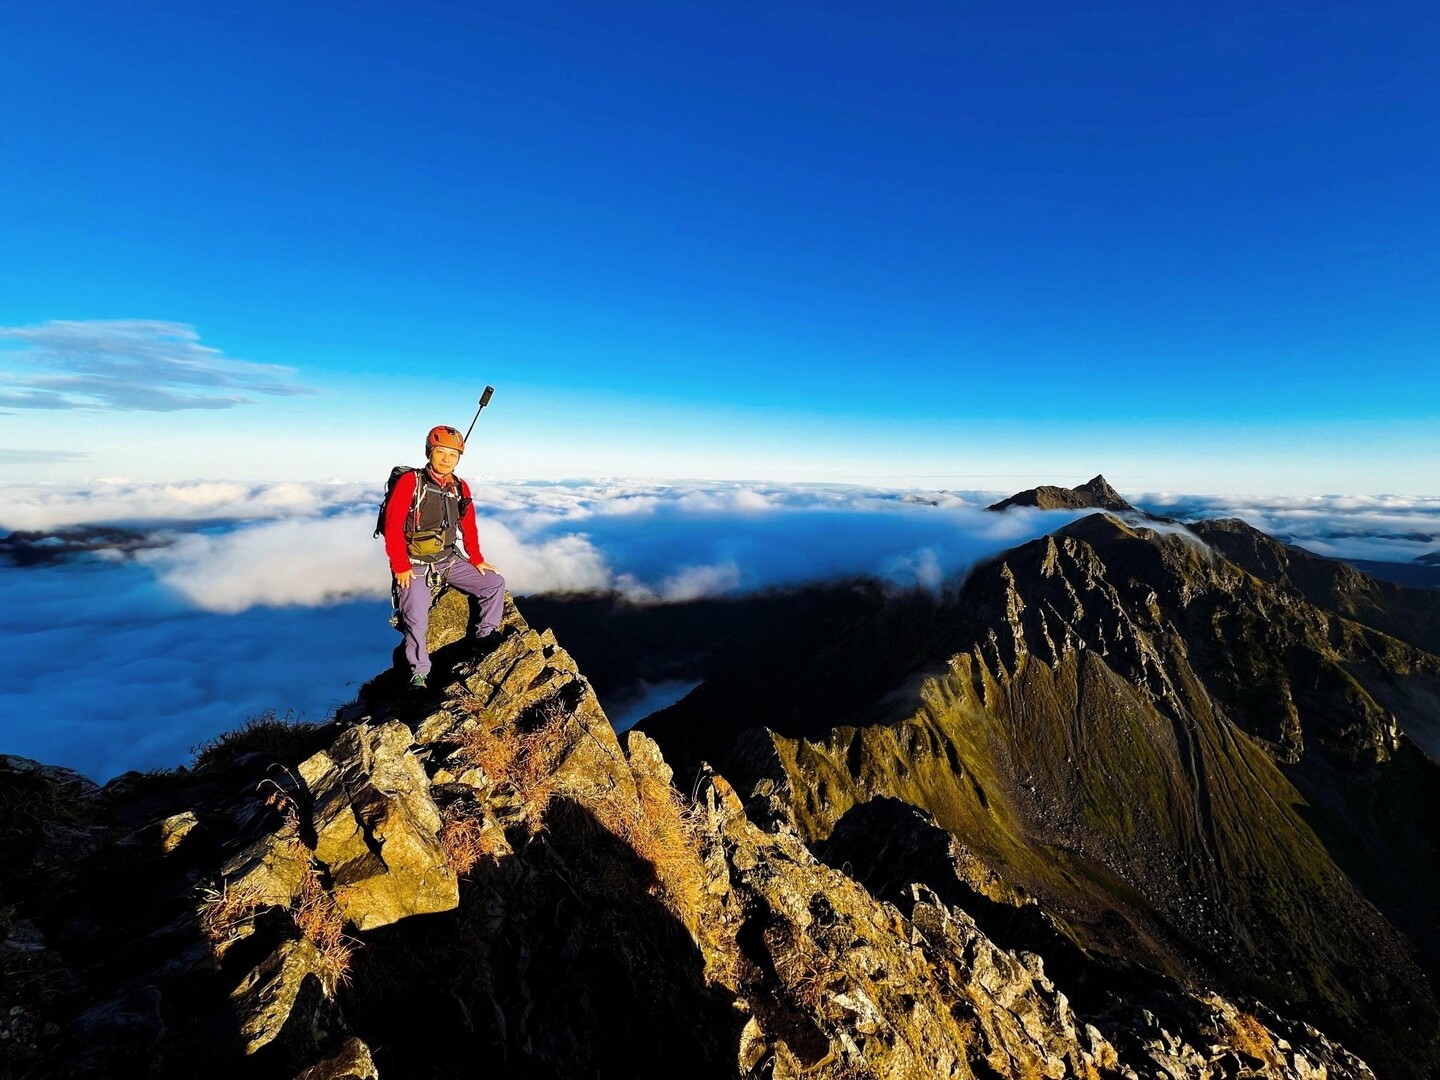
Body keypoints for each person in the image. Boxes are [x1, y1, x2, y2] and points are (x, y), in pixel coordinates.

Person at [383, 424, 506, 689]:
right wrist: (400, 566)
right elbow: (392, 527)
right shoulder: (410, 482)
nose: (447, 459)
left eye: (453, 454)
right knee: (416, 619)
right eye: (441, 452)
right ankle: (419, 674)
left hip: (448, 559)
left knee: (494, 583)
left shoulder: (460, 487)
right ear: (430, 452)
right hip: (414, 564)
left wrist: (476, 559)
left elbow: (467, 526)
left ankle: (484, 637)